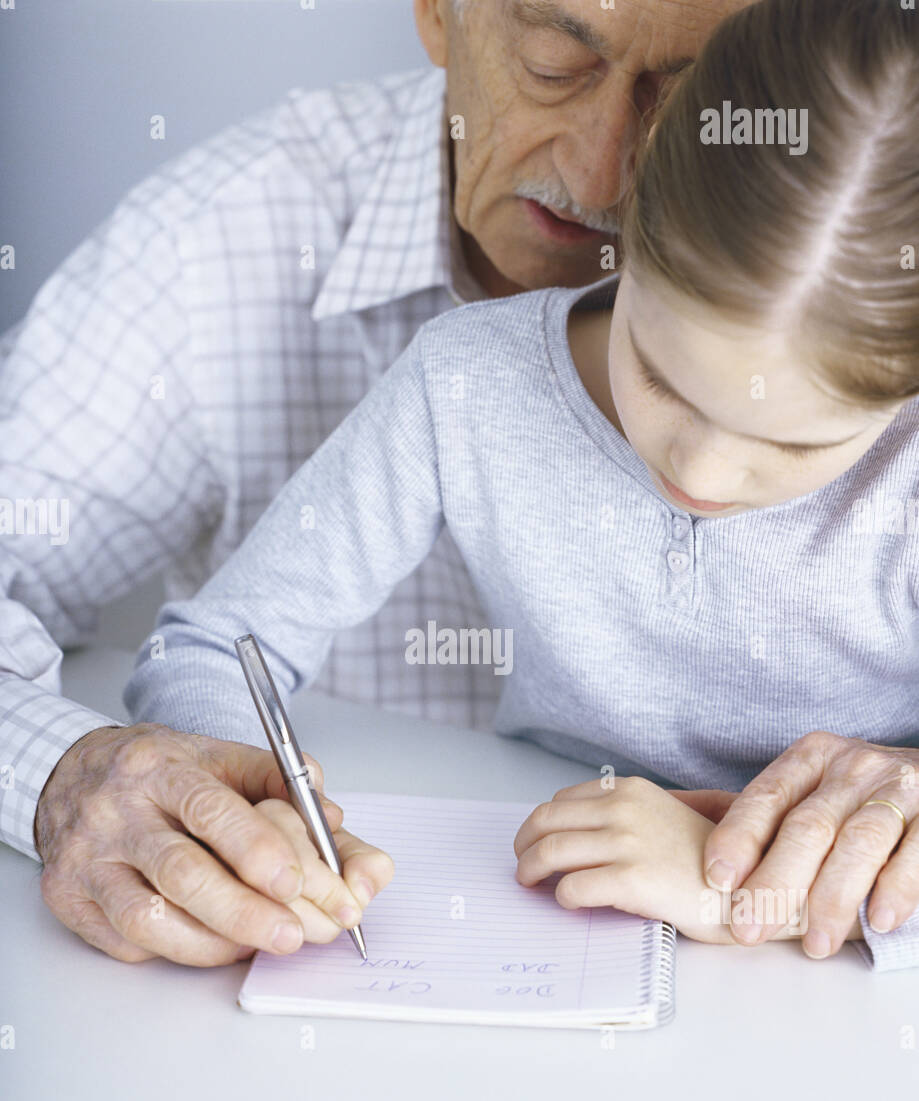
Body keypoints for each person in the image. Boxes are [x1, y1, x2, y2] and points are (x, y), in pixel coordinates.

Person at [124, 0, 919, 970]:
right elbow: (213, 645)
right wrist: (244, 813)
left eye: (789, 446)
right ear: (640, 210)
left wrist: (728, 882)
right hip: (540, 934)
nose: (697, 471)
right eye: (663, 378)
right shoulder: (465, 381)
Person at [1, 0, 748, 961]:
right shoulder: (225, 237)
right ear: (438, 14)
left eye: (686, 102)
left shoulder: (867, 267)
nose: (600, 173)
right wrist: (67, 776)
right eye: (553, 64)